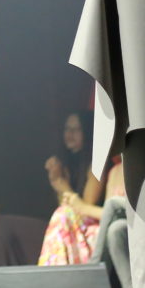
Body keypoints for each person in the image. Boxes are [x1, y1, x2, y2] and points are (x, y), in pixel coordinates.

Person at [38, 111, 104, 265]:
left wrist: (62, 185)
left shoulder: (97, 162)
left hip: (91, 222)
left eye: (76, 129)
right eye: (67, 129)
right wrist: (56, 180)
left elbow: (85, 207)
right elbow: (64, 205)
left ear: (87, 132)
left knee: (63, 213)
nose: (70, 134)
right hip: (68, 221)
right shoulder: (66, 161)